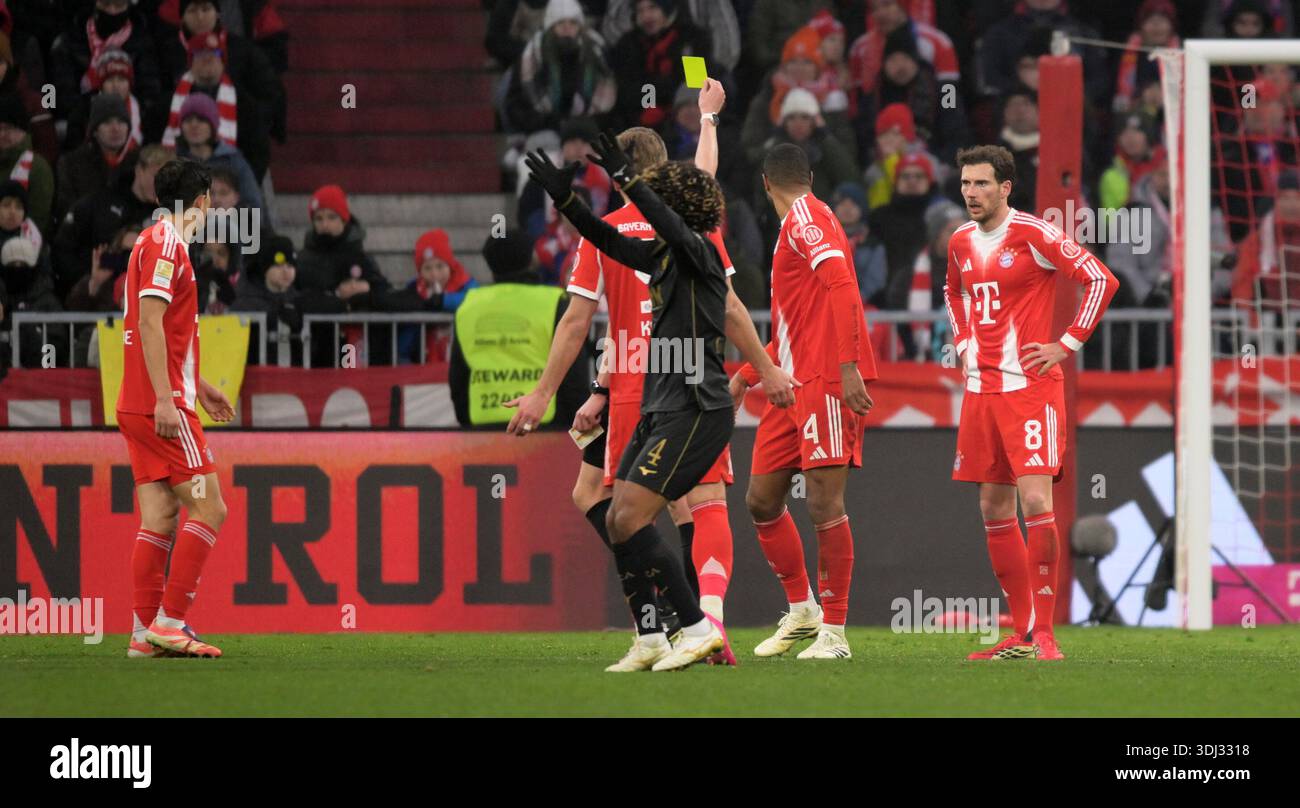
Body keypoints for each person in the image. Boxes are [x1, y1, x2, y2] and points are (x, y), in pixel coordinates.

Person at [507, 82, 795, 671]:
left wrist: (629, 187)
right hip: (660, 389)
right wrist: (569, 205)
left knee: (640, 509)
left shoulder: (695, 247)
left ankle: (692, 625)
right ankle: (660, 633)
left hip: (687, 395)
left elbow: (652, 227)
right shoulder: (667, 249)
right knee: (633, 511)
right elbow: (617, 237)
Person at [525, 131, 743, 671]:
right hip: (673, 376)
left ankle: (681, 625)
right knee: (686, 502)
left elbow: (579, 319)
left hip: (645, 385)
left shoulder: (666, 235)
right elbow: (733, 306)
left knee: (628, 507)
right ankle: (684, 626)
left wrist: (552, 391)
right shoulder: (696, 233)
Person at [943, 145, 1119, 662]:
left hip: (1030, 389)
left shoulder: (1033, 234)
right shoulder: (958, 242)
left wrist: (1066, 344)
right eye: (965, 183)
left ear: (1005, 187)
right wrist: (961, 340)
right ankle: (1020, 634)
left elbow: (1100, 279)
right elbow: (953, 294)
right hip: (980, 391)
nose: (970, 192)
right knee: (992, 507)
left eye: (980, 183)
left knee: (1037, 503)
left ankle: (1045, 632)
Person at [731, 143, 877, 660]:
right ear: (809, 176)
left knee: (822, 504)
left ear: (765, 183)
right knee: (762, 500)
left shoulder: (806, 219)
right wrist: (749, 374)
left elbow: (842, 285)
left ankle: (834, 635)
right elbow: (795, 323)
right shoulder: (801, 221)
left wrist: (848, 366)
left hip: (824, 381)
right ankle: (803, 610)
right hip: (792, 382)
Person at [116, 157, 233, 658]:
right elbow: (147, 322)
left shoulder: (151, 240)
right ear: (202, 200)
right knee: (211, 506)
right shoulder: (168, 245)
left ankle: (146, 634)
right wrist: (169, 397)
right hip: (161, 406)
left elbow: (162, 329)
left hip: (139, 402)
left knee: (160, 516)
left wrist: (198, 382)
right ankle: (172, 620)